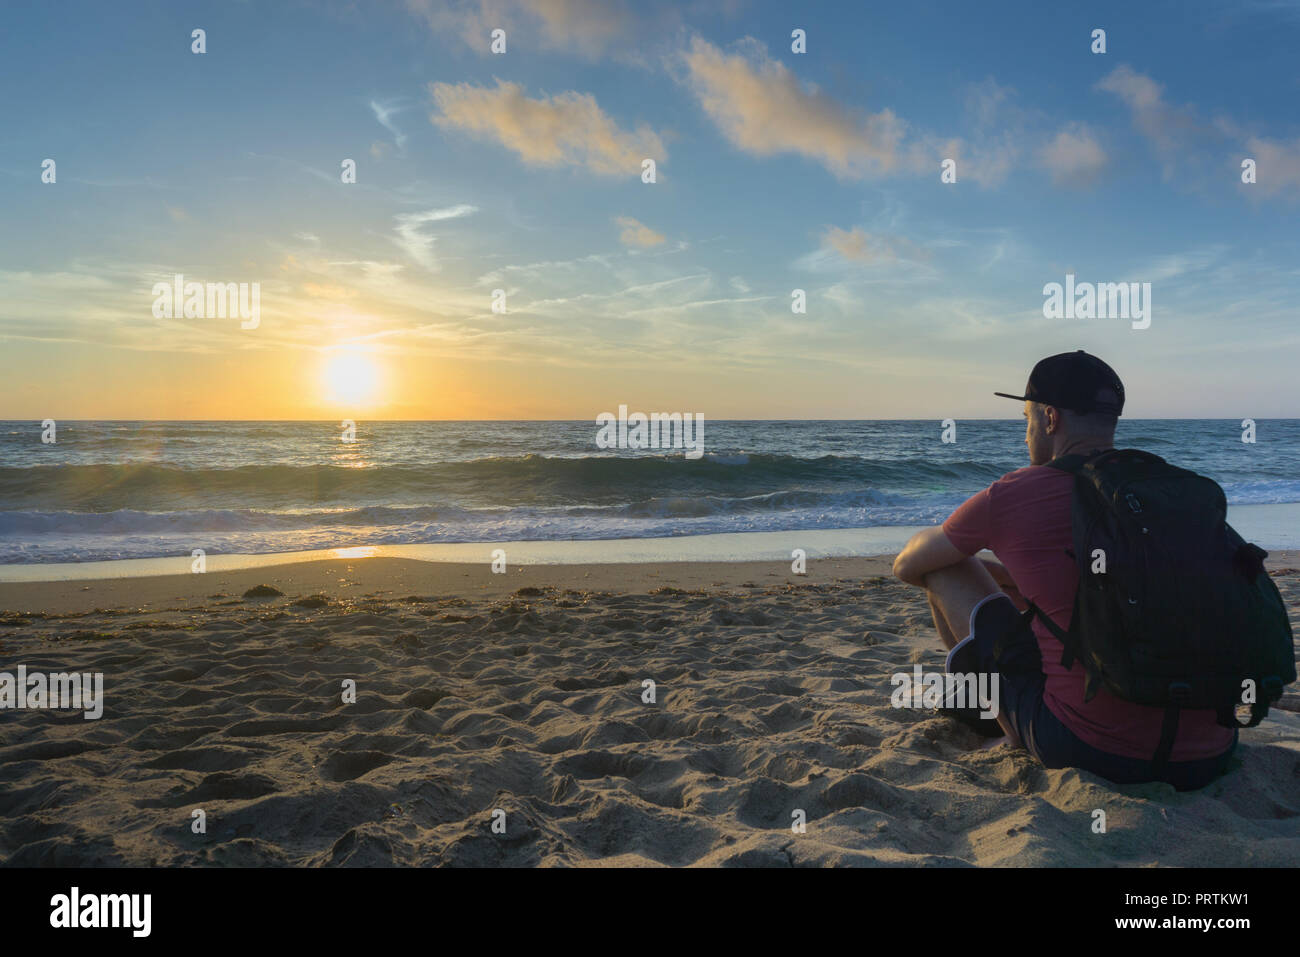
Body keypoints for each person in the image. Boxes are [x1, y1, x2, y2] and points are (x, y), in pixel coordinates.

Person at [892, 350, 1236, 790]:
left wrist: (969, 556)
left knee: (945, 566)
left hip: (1092, 750)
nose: (1025, 433)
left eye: (1026, 419)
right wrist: (1014, 578)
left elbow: (908, 567)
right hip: (1210, 753)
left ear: (1050, 418)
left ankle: (1003, 718)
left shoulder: (1016, 492)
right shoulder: (1168, 489)